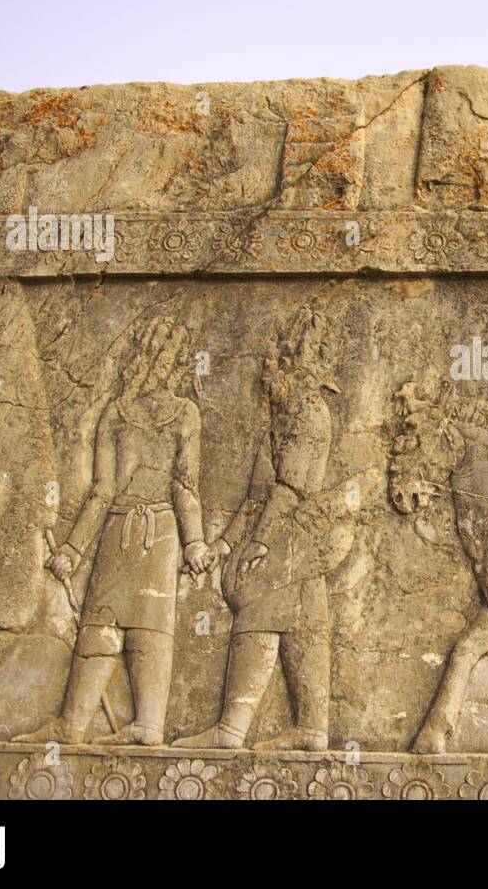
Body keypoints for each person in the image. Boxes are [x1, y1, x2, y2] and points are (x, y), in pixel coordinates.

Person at [16, 316, 209, 746]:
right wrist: (72, 547)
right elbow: (102, 488)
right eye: (159, 356)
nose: (163, 366)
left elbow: (184, 485)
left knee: (151, 626)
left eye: (170, 358)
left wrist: (194, 542)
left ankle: (148, 725)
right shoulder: (116, 413)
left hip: (159, 533)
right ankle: (72, 725)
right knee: (100, 624)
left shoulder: (185, 414)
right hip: (119, 530)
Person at [175, 307, 357, 751]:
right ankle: (311, 728)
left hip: (291, 533)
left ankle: (232, 729)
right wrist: (223, 543)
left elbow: (290, 486)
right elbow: (258, 493)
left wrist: (259, 542)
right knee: (302, 621)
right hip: (285, 531)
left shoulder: (306, 410)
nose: (267, 370)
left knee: (259, 609)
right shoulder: (283, 414)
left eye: (277, 360)